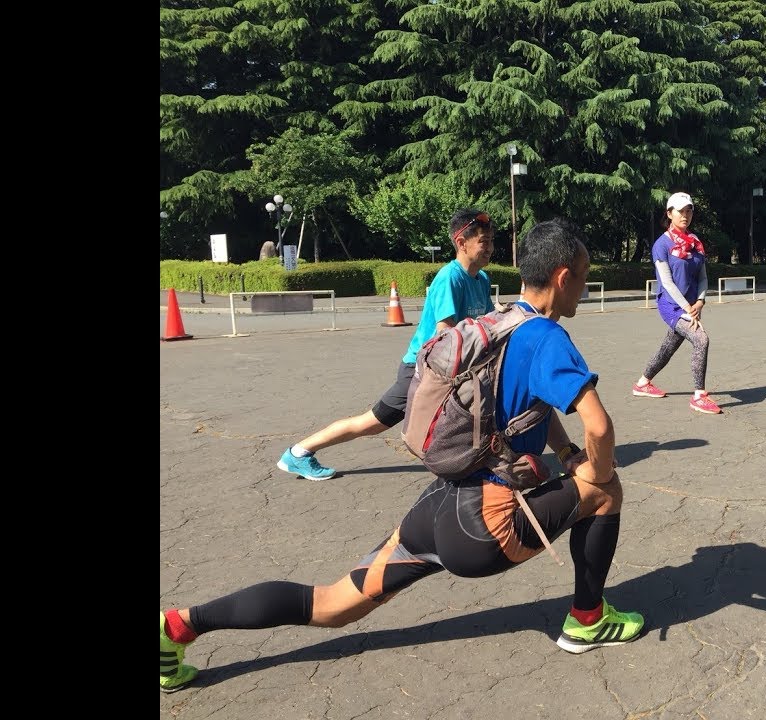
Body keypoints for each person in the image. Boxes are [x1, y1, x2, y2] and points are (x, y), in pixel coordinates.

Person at [161, 218, 644, 693]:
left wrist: (562, 448)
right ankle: (586, 620)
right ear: (564, 277)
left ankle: (179, 627)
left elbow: (531, 404)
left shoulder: (497, 322)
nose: (582, 287)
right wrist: (593, 471)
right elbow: (599, 425)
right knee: (606, 491)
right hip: (485, 527)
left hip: (435, 511)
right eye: (582, 276)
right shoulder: (547, 337)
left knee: (329, 604)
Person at [276, 209, 497, 480]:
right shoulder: (449, 278)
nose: (489, 248)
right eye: (483, 242)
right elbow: (446, 333)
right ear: (461, 243)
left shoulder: (482, 280)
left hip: (450, 371)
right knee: (373, 422)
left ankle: (479, 463)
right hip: (424, 370)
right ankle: (298, 453)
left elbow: (486, 324)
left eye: (491, 242)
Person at [632, 191, 721, 414]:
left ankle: (643, 383)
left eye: (689, 210)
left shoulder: (695, 242)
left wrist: (700, 301)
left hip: (691, 305)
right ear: (669, 214)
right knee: (701, 339)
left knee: (667, 349)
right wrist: (688, 309)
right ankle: (699, 396)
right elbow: (667, 283)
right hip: (671, 305)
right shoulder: (661, 245)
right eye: (681, 211)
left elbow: (702, 276)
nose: (686, 215)